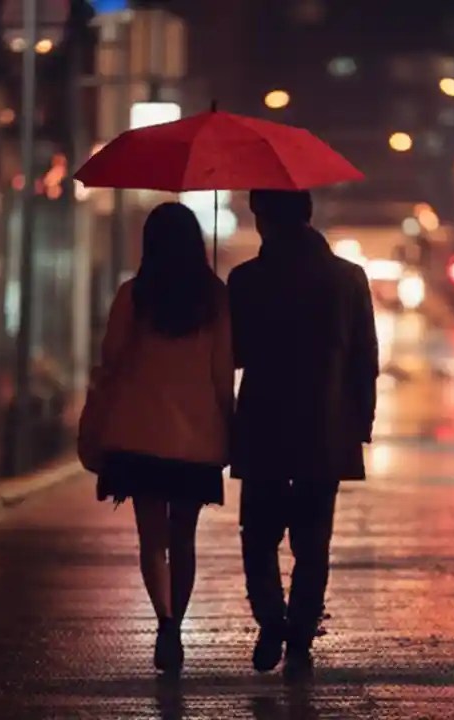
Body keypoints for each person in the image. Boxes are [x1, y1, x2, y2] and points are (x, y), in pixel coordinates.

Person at [228, 189, 379, 680]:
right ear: (308, 216)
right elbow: (365, 359)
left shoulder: (247, 279)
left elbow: (235, 354)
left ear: (263, 220)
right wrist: (361, 423)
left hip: (264, 424)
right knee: (313, 541)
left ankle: (272, 620)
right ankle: (301, 636)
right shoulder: (348, 278)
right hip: (325, 425)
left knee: (259, 536)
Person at [95, 202, 235, 674]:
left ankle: (166, 621)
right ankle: (177, 622)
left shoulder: (134, 296)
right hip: (196, 438)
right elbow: (221, 375)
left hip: (139, 433)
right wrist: (229, 422)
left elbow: (111, 358)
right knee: (185, 536)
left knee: (152, 537)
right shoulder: (214, 299)